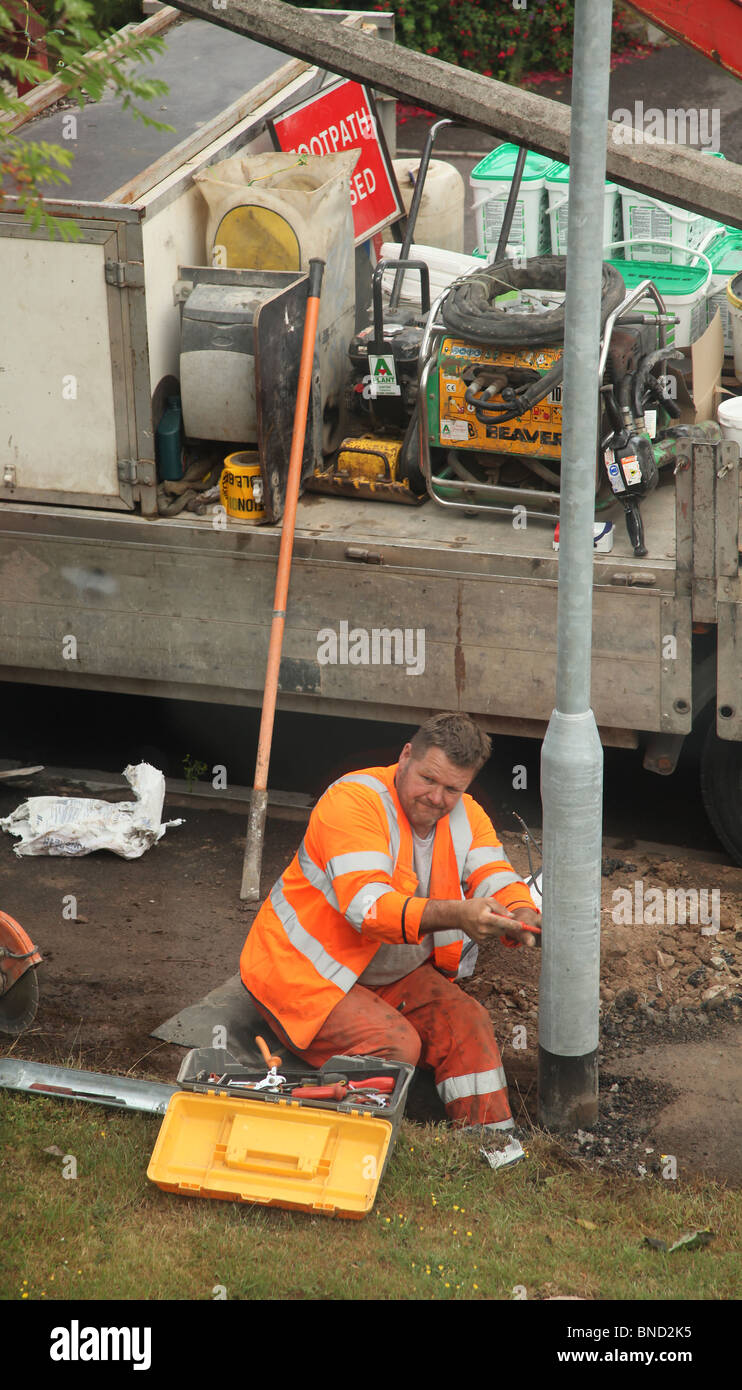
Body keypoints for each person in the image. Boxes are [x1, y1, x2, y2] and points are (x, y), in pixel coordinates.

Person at [240, 712, 541, 1137]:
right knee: (398, 1045)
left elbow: (496, 873)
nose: (437, 798)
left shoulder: (466, 815)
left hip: (384, 972)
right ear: (405, 757)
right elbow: (368, 909)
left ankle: (489, 1145)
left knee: (468, 1022)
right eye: (428, 779)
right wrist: (458, 914)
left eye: (453, 788)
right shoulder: (353, 802)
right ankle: (362, 1140)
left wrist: (521, 912)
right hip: (303, 975)